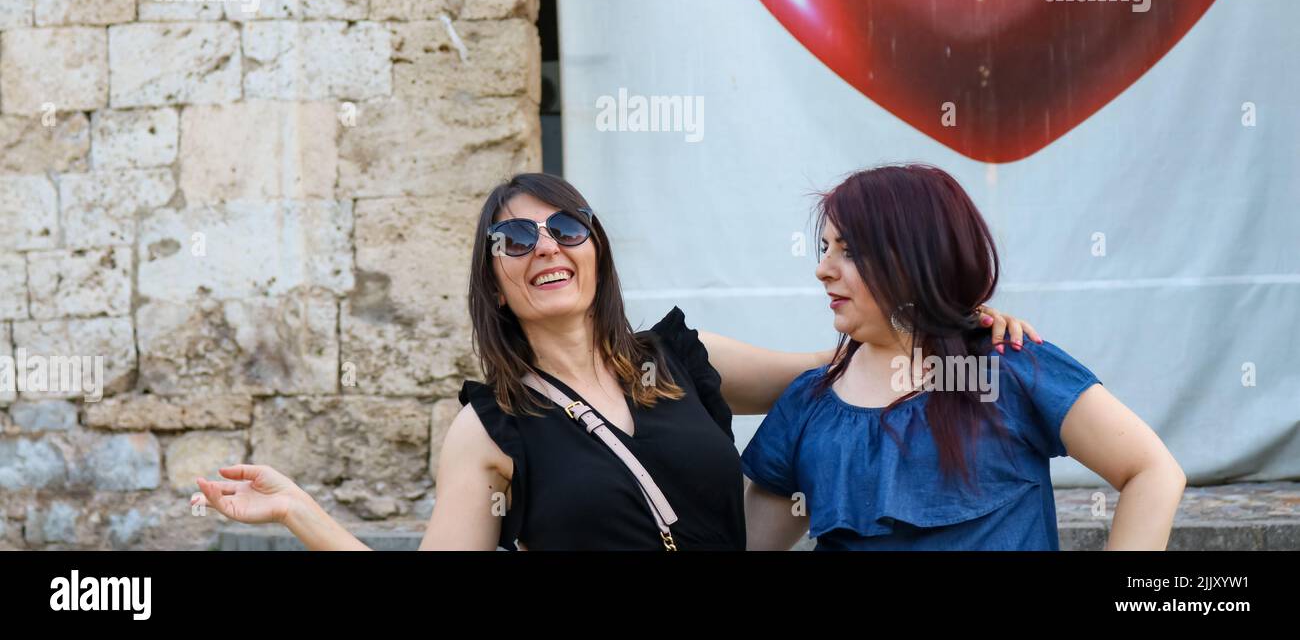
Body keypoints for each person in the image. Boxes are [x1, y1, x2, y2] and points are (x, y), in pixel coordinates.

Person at [194, 171, 1040, 550]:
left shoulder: (687, 358)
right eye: (514, 238)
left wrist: (957, 326)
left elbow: (852, 367)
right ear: (493, 281)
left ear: (595, 249)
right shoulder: (489, 429)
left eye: (567, 227)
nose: (545, 247)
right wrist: (301, 513)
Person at [742, 163, 1185, 550]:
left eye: (850, 250)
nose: (823, 269)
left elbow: (1151, 471)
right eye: (825, 249)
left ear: (918, 257)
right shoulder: (809, 402)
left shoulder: (1006, 366)